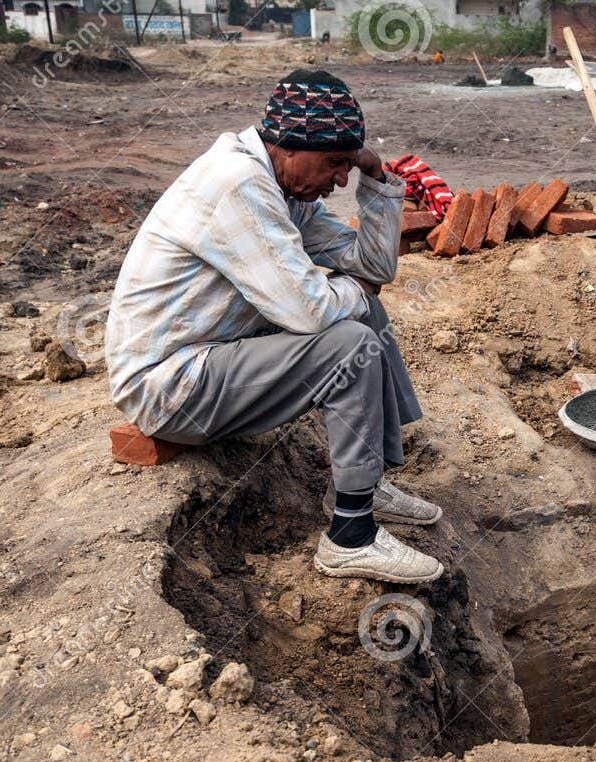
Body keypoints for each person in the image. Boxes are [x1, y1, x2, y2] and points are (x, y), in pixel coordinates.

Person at [105, 70, 444, 585]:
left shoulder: (287, 190)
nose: (340, 181)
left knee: (365, 316)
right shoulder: (238, 183)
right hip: (167, 385)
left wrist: (376, 180)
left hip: (215, 356)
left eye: (347, 166)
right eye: (334, 164)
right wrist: (356, 293)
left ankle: (365, 487)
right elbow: (310, 313)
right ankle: (350, 538)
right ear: (287, 146)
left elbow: (372, 269)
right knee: (348, 339)